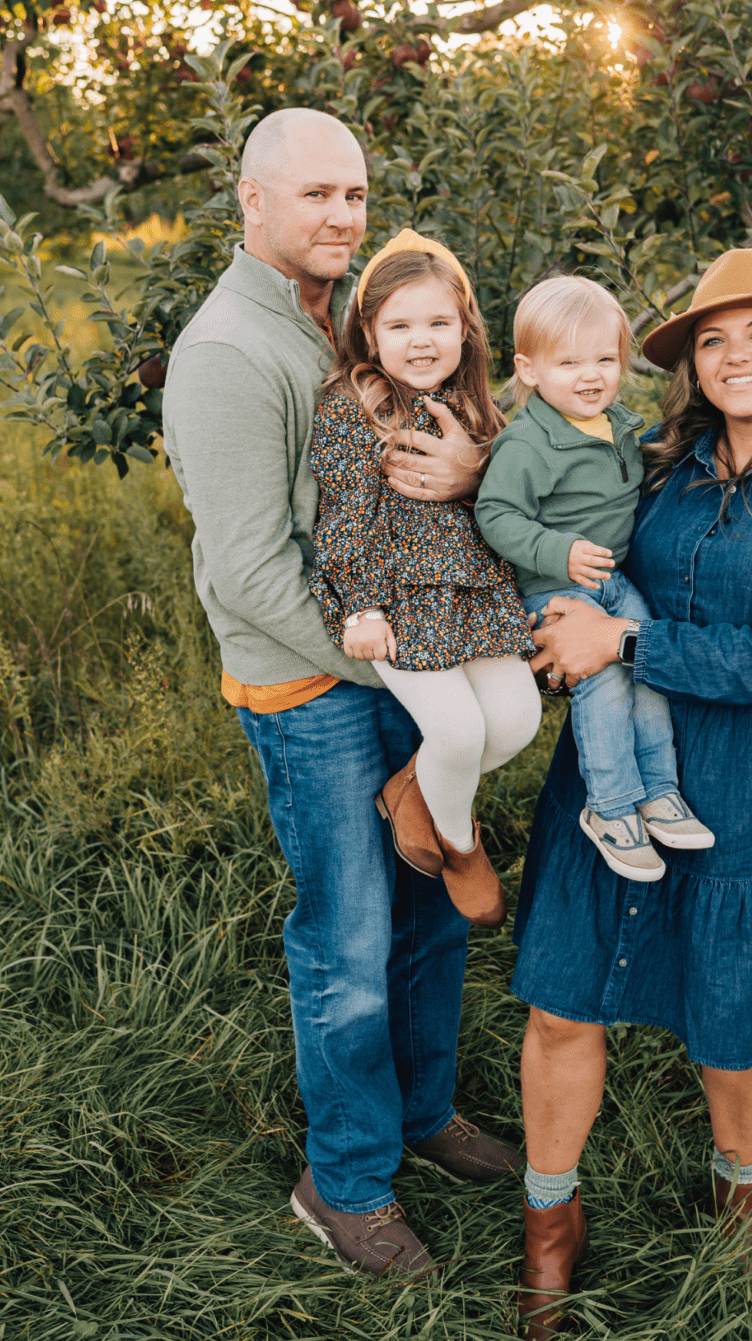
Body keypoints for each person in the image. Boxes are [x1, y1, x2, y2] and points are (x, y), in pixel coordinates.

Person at [511, 247, 752, 1336]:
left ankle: (742, 1201)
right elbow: (549, 521)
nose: (736, 355)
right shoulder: (651, 465)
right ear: (691, 368)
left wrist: (623, 639)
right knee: (564, 997)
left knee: (735, 1016)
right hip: (617, 771)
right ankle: (550, 1225)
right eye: (713, 340)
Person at [162, 108, 524, 1283]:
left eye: (355, 196)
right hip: (314, 686)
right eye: (314, 194)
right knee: (349, 937)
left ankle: (421, 1111)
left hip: (395, 663)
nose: (341, 215)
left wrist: (474, 478)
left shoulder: (347, 328)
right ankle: (349, 1181)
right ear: (252, 202)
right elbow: (248, 568)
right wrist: (407, 666)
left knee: (422, 912)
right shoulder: (231, 352)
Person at [309, 228, 541, 928]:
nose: (421, 340)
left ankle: (408, 791)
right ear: (369, 333)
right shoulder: (355, 405)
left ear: (465, 332)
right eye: (400, 324)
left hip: (474, 595)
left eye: (439, 323)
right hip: (396, 601)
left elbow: (502, 504)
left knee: (518, 720)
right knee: (458, 732)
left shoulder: (473, 408)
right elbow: (347, 515)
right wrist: (364, 607)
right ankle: (461, 845)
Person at [475, 275, 713, 884]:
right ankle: (610, 807)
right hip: (554, 589)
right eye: (570, 361)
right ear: (528, 369)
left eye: (606, 358)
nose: (591, 375)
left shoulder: (621, 428)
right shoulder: (529, 442)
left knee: (647, 660)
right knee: (604, 679)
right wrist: (558, 550)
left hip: (612, 581)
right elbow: (495, 513)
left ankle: (657, 790)